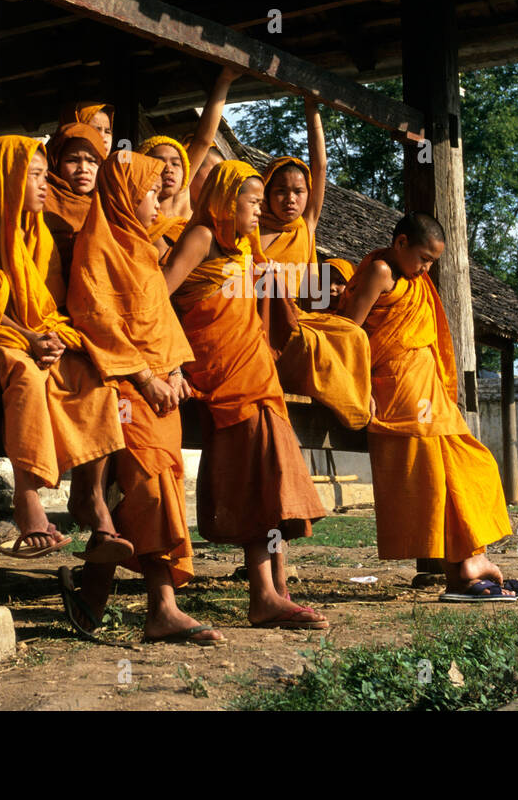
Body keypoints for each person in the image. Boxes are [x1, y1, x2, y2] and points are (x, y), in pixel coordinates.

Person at [163, 159, 329, 630]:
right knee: (258, 480)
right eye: (252, 202)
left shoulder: (244, 250)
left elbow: (267, 302)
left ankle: (277, 590)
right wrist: (171, 361)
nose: (261, 211)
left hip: (255, 373)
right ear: (225, 200)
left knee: (274, 478)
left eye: (259, 202)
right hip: (221, 374)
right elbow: (158, 294)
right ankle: (264, 596)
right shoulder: (200, 239)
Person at [67, 148, 224, 645]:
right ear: (124, 196)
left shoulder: (140, 246)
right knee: (150, 489)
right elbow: (97, 318)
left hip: (161, 389)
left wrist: (175, 367)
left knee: (149, 489)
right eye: (151, 195)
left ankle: (88, 597)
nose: (159, 206)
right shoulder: (97, 245)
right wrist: (144, 377)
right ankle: (162, 608)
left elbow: (156, 317)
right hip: (127, 388)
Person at [337, 212, 518, 602]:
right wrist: (357, 385)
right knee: (433, 480)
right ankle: (459, 574)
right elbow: (346, 330)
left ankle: (474, 560)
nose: (426, 268)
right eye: (424, 258)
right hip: (398, 388)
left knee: (468, 464)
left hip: (428, 387)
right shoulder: (379, 270)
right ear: (401, 243)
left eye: (432, 262)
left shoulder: (416, 282)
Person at [0, 135, 130, 560]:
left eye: (41, 175)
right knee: (27, 376)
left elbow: (49, 305)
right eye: (32, 176)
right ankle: (27, 500)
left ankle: (91, 498)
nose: (43, 185)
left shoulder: (39, 234)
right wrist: (30, 339)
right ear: (8, 179)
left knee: (97, 378)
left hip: (41, 335)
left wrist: (50, 338)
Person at [254, 101, 372, 430]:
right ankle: (345, 404)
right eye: (280, 192)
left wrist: (312, 109)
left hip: (301, 317)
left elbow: (320, 167)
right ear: (264, 193)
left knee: (353, 335)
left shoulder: (306, 227)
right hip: (263, 326)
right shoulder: (249, 229)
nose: (290, 199)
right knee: (311, 346)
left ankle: (358, 402)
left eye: (298, 191)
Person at [141, 65, 242, 261]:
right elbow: (202, 141)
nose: (168, 169)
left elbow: (205, 141)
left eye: (175, 164)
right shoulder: (134, 204)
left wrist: (225, 81)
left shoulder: (184, 195)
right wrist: (223, 82)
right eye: (159, 162)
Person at [42, 122, 105, 281]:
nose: (83, 168)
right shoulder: (41, 197)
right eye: (72, 160)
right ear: (56, 161)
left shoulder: (106, 203)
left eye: (92, 161)